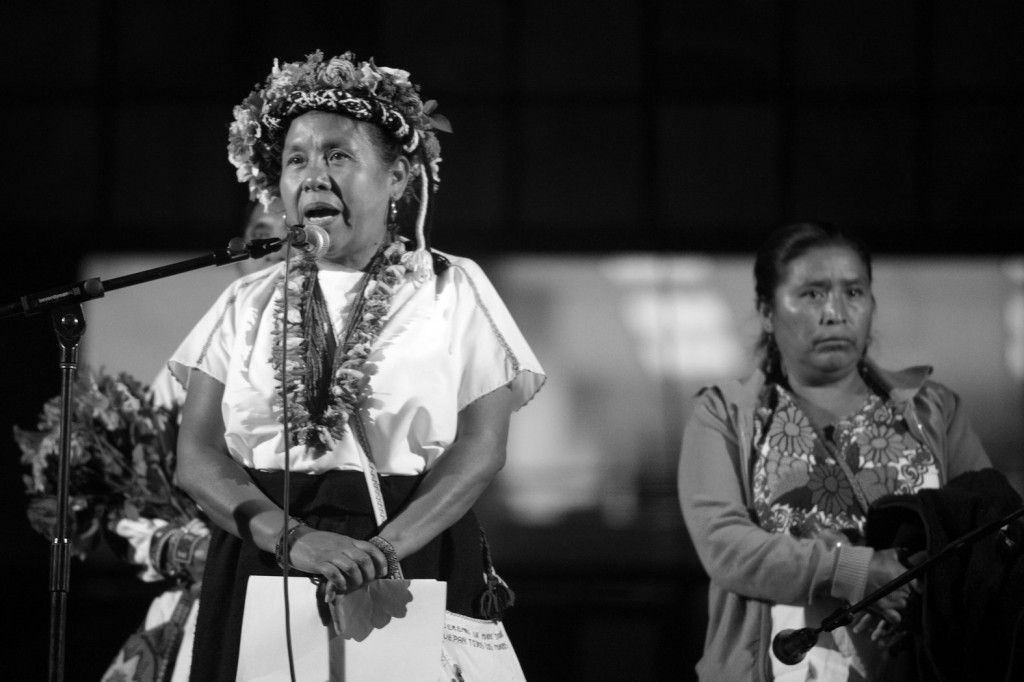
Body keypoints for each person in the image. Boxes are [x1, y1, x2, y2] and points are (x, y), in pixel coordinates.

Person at [167, 50, 545, 681]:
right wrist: (293, 540)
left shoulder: (451, 288)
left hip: (406, 548)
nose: (313, 175)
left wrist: (380, 551)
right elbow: (197, 456)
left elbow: (481, 448)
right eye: (296, 160)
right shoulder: (247, 299)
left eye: (337, 154)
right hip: (266, 551)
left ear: (397, 176)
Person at [677, 222, 992, 681]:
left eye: (854, 292)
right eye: (812, 294)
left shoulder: (934, 409)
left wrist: (911, 575)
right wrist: (857, 571)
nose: (835, 312)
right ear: (767, 312)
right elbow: (725, 547)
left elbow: (985, 531)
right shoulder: (726, 414)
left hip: (923, 664)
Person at [101, 198, 289, 682]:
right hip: (211, 598)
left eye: (293, 233)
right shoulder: (188, 371)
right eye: (263, 233)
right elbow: (128, 508)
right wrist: (186, 550)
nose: (273, 249)